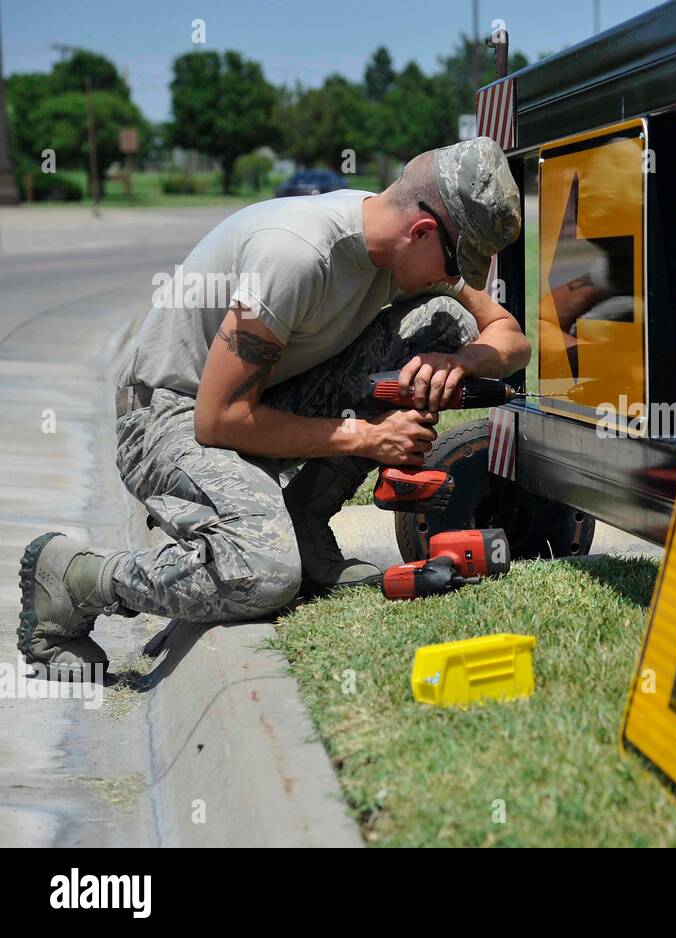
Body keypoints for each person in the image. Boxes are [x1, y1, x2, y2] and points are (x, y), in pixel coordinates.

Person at [16, 137, 529, 681]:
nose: (454, 278)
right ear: (422, 231)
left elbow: (512, 339)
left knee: (442, 319)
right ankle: (78, 577)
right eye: (455, 262)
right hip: (168, 420)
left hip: (258, 400)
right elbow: (218, 422)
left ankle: (305, 529)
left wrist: (461, 362)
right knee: (264, 571)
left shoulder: (392, 233)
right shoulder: (296, 255)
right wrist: (364, 439)